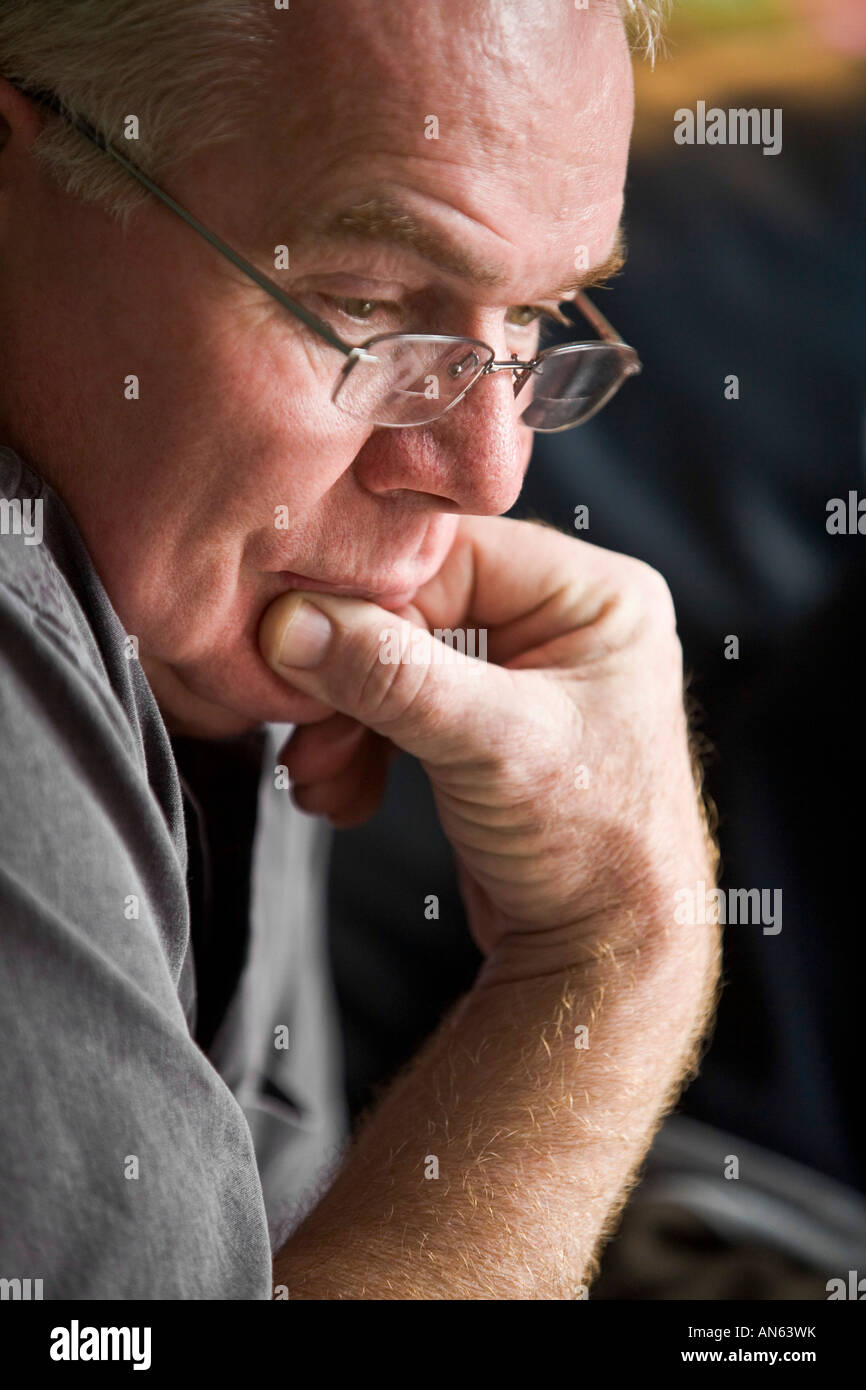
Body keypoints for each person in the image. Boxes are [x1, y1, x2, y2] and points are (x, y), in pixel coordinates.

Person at [0, 0, 718, 1300]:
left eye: (541, 316)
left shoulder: (202, 585)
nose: (487, 476)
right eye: (370, 305)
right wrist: (613, 950)